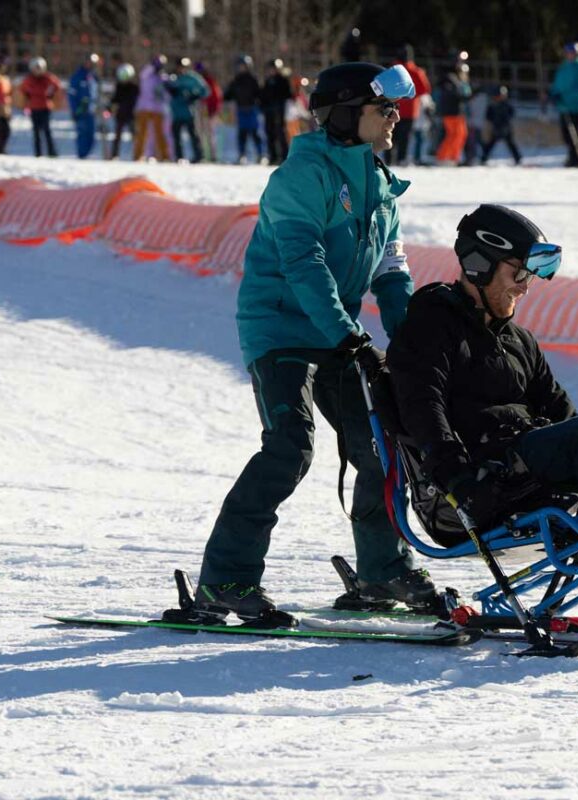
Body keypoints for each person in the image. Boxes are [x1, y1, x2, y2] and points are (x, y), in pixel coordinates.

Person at [193, 62, 429, 625]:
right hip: (281, 329)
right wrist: (349, 336)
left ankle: (381, 571)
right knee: (289, 448)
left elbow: (392, 274)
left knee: (378, 444)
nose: (396, 116)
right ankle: (226, 579)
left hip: (336, 335)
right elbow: (304, 263)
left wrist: (412, 339)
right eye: (384, 108)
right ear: (348, 114)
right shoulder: (302, 177)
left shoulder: (379, 182)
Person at [386, 204, 578, 571]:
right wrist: (458, 480)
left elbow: (560, 410)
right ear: (479, 265)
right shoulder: (431, 327)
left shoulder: (519, 341)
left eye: (531, 274)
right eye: (518, 271)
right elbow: (422, 407)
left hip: (520, 471)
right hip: (473, 486)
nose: (525, 285)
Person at [388, 44, 431, 166]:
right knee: (404, 138)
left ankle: (389, 159)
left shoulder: (392, 69)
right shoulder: (416, 71)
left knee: (391, 135)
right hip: (410, 110)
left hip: (393, 108)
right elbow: (425, 88)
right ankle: (401, 159)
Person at [550, 42, 578, 167]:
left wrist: (568, 96)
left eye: (573, 53)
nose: (570, 55)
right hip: (563, 106)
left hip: (576, 106)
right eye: (568, 53)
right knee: (566, 135)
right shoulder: (563, 67)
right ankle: (572, 157)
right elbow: (558, 83)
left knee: (577, 134)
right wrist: (554, 94)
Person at [165, 57, 208, 163]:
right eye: (180, 67)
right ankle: (179, 156)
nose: (181, 69)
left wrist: (194, 96)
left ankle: (198, 156)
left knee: (193, 135)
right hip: (176, 112)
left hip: (189, 113)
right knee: (176, 136)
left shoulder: (193, 78)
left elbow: (205, 90)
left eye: (184, 67)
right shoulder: (173, 78)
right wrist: (170, 90)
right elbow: (165, 89)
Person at [225, 55, 264, 164]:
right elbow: (228, 94)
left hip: (251, 109)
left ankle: (260, 154)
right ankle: (242, 154)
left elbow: (259, 94)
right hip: (241, 109)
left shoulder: (253, 79)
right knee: (242, 134)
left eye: (244, 66)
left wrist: (260, 104)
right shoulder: (236, 80)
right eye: (240, 66)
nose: (241, 68)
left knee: (255, 133)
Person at [20, 56, 61, 157]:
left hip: (45, 108)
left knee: (47, 131)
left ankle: (52, 152)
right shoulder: (29, 79)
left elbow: (56, 85)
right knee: (36, 132)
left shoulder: (47, 78)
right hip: (34, 108)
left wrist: (51, 94)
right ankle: (38, 153)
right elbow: (23, 88)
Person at [435, 59, 471, 166]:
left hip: (457, 113)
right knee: (453, 135)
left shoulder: (459, 82)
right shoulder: (452, 80)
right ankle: (443, 157)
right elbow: (458, 95)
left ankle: (453, 157)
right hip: (451, 113)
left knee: (461, 134)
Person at [134, 55, 170, 161]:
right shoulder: (147, 74)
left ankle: (164, 156)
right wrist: (152, 67)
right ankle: (138, 155)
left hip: (157, 109)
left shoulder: (163, 78)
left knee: (160, 133)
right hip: (144, 108)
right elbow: (143, 75)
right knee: (142, 133)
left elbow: (166, 94)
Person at [68, 53, 101, 159]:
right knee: (82, 134)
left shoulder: (94, 77)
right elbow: (72, 94)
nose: (89, 65)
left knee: (91, 136)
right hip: (80, 111)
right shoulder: (77, 76)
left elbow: (97, 93)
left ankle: (86, 155)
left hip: (91, 111)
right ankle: (81, 156)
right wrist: (75, 109)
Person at [481, 85, 522, 164]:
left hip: (506, 128)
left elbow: (511, 114)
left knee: (511, 144)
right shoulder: (493, 105)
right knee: (490, 144)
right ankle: (483, 158)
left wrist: (506, 125)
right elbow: (488, 116)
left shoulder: (507, 105)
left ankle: (518, 158)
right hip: (496, 128)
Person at [261, 58, 291, 165]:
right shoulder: (268, 81)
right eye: (270, 69)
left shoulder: (283, 80)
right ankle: (272, 156)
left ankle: (284, 156)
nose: (272, 71)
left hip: (279, 111)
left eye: (274, 69)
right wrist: (263, 106)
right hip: (269, 112)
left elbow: (288, 95)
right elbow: (263, 96)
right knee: (270, 133)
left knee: (280, 133)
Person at [108, 63, 139, 160]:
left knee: (135, 135)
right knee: (117, 136)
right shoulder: (119, 87)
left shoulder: (134, 87)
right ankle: (114, 154)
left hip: (131, 114)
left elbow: (138, 101)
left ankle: (137, 154)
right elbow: (115, 99)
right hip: (121, 114)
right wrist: (108, 107)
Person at [195, 61, 223, 163]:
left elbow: (216, 97)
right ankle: (201, 154)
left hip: (209, 111)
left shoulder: (209, 81)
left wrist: (214, 110)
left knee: (210, 135)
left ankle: (213, 156)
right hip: (199, 111)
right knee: (200, 134)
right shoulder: (195, 80)